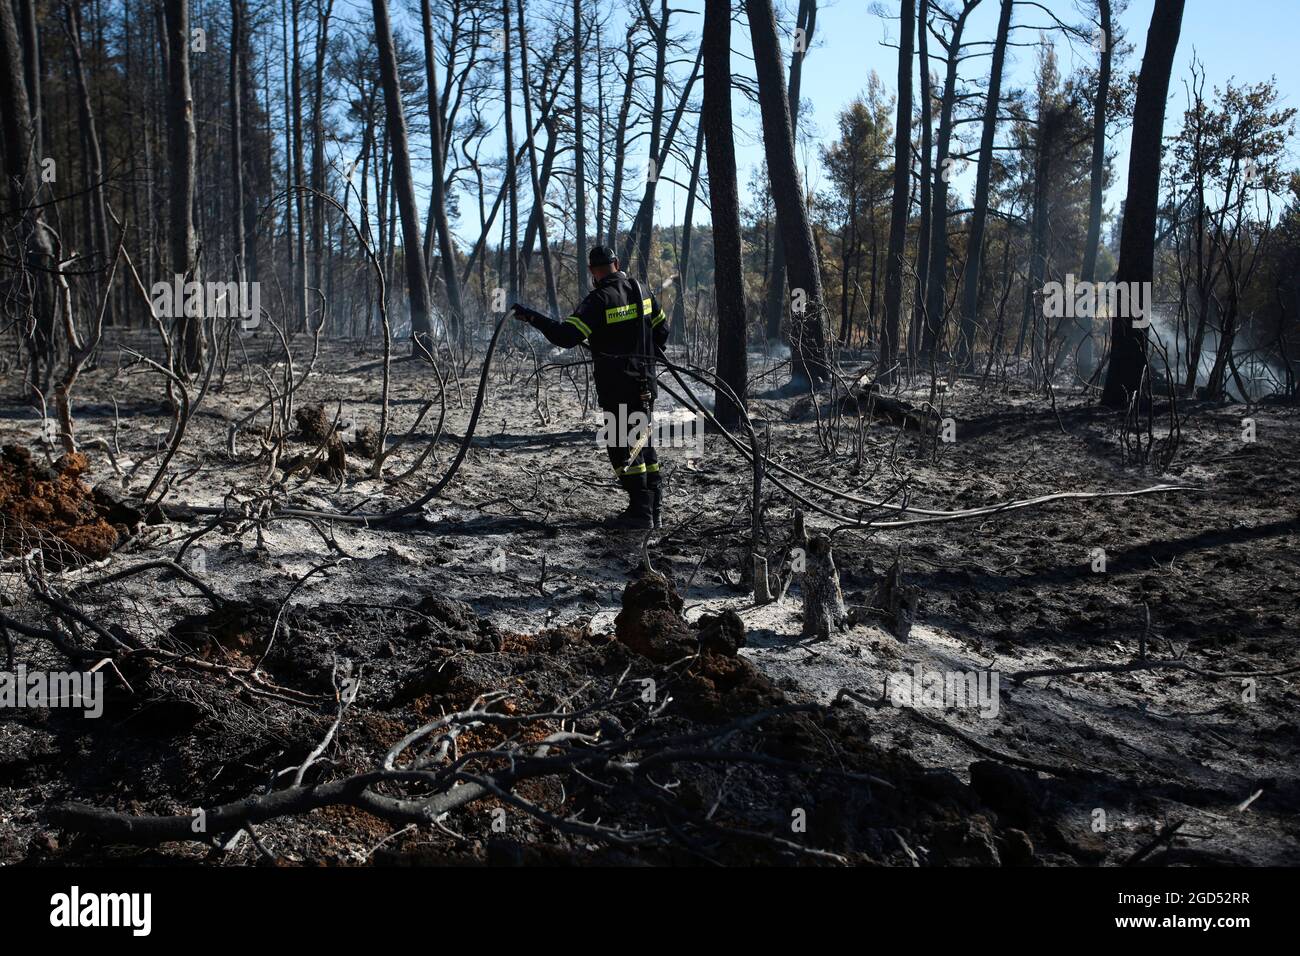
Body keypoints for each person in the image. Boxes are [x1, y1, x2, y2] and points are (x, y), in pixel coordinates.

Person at [512, 246, 669, 529]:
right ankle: (653, 509)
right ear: (616, 264)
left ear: (592, 272)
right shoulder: (641, 289)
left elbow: (566, 336)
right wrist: (647, 352)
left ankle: (640, 512)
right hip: (646, 383)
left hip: (618, 386)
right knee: (642, 444)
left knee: (622, 446)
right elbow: (662, 329)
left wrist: (533, 317)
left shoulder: (599, 300)